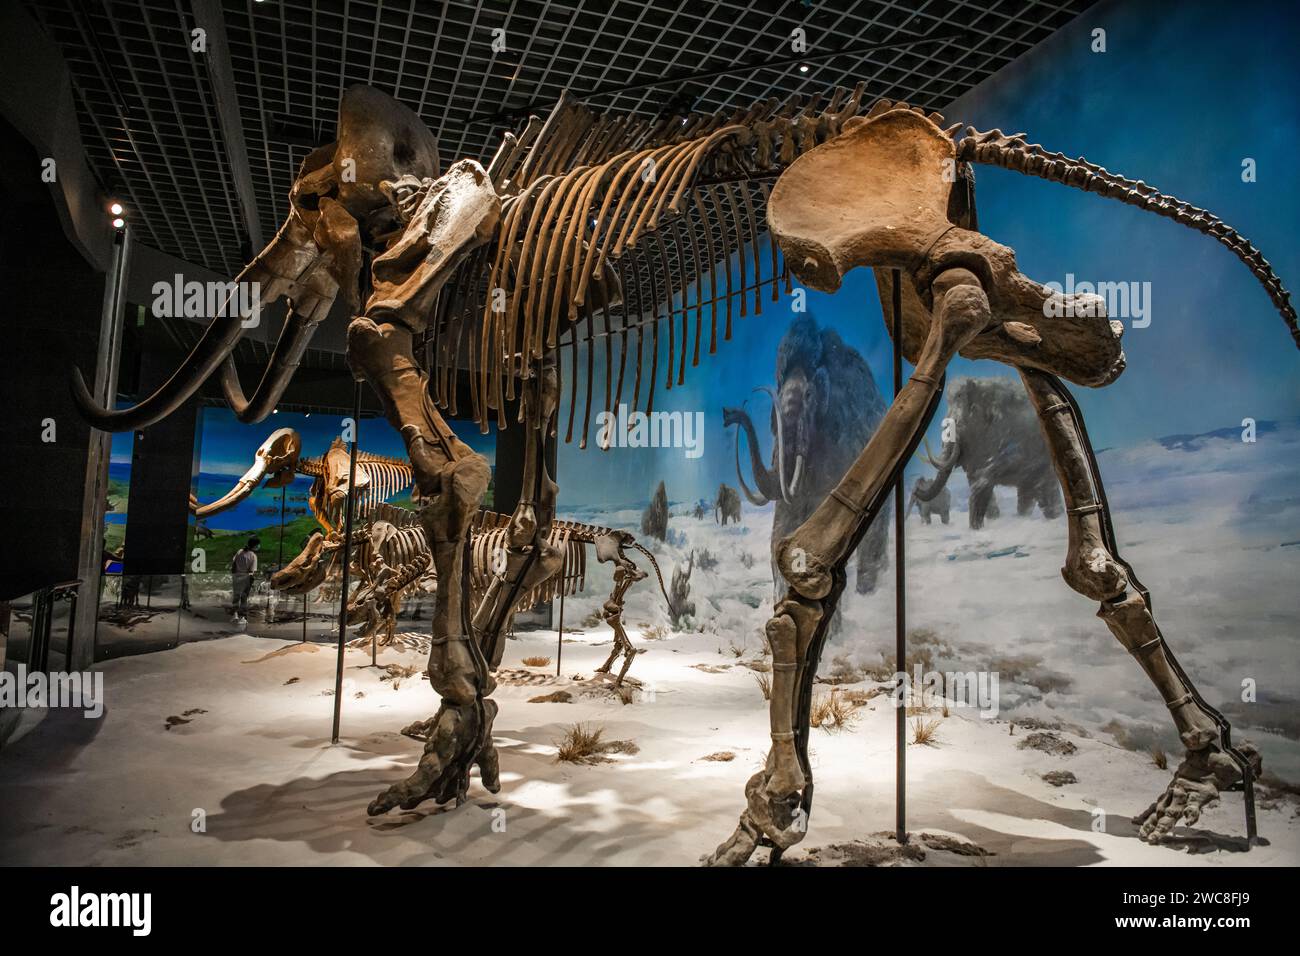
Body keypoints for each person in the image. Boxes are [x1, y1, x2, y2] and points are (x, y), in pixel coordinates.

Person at [231, 537, 260, 624]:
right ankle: (242, 617)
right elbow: (252, 571)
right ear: (255, 545)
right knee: (244, 598)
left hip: (236, 577)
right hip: (246, 578)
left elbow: (234, 564)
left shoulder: (240, 551)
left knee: (236, 597)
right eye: (258, 544)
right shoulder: (253, 556)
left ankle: (235, 615)